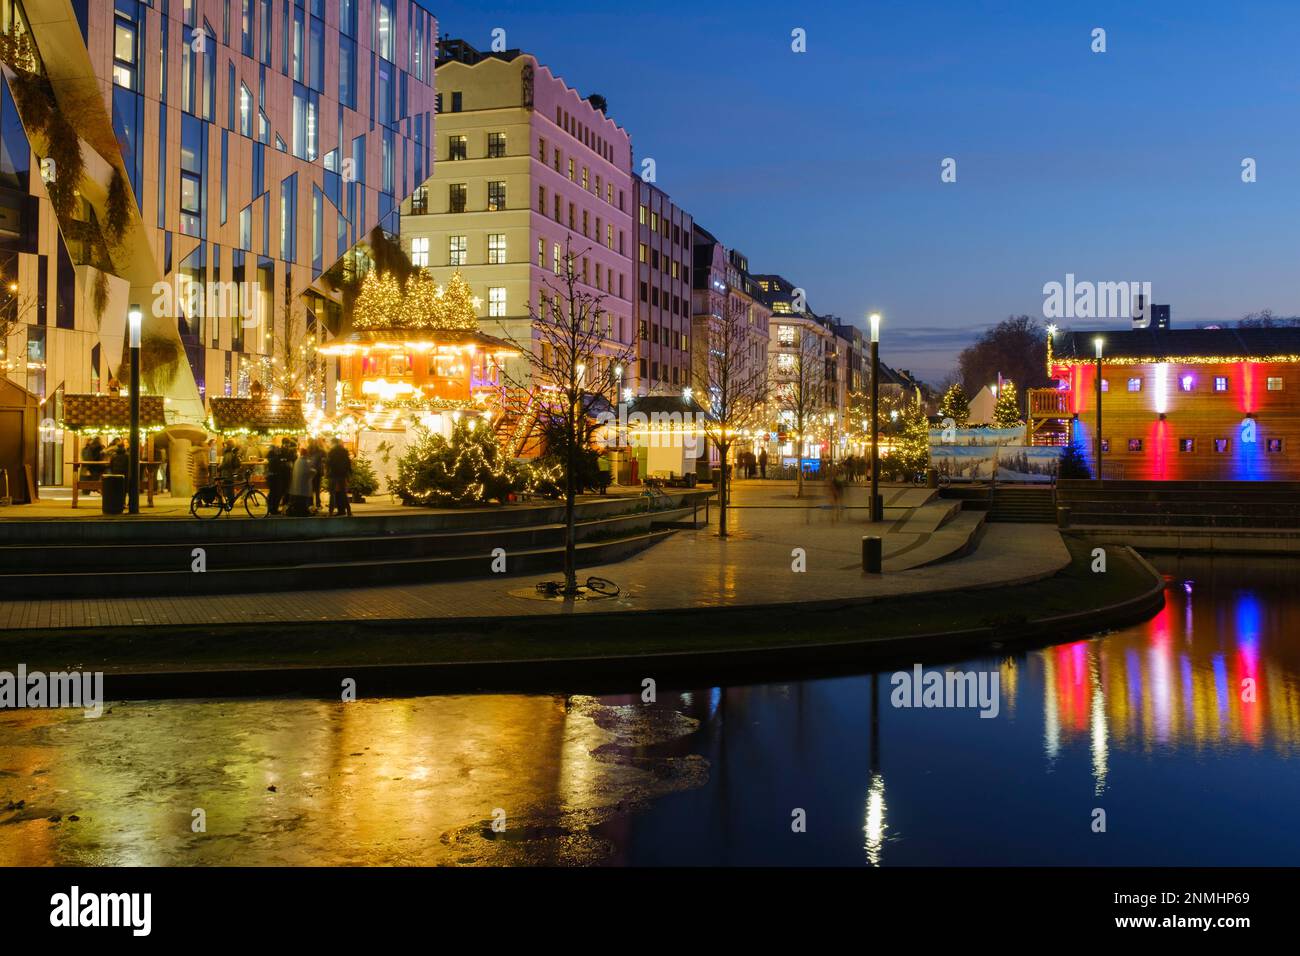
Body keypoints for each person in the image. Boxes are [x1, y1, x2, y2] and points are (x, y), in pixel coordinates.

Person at [326, 437, 353, 516]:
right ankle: (349, 511)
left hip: (334, 474)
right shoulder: (344, 451)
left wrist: (327, 472)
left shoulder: (331, 452)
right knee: (343, 493)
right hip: (342, 474)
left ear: (333, 443)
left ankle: (330, 512)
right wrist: (349, 474)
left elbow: (329, 463)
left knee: (332, 493)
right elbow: (348, 463)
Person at [286, 443, 315, 517]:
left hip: (296, 487)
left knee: (298, 501)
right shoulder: (305, 462)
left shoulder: (297, 461)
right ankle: (302, 512)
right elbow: (308, 472)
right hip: (303, 487)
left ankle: (299, 511)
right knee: (302, 501)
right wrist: (314, 471)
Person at [306, 438, 326, 512]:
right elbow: (325, 459)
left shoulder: (308, 450)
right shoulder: (321, 451)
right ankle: (317, 504)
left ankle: (310, 503)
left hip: (310, 471)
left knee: (310, 488)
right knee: (317, 489)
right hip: (317, 472)